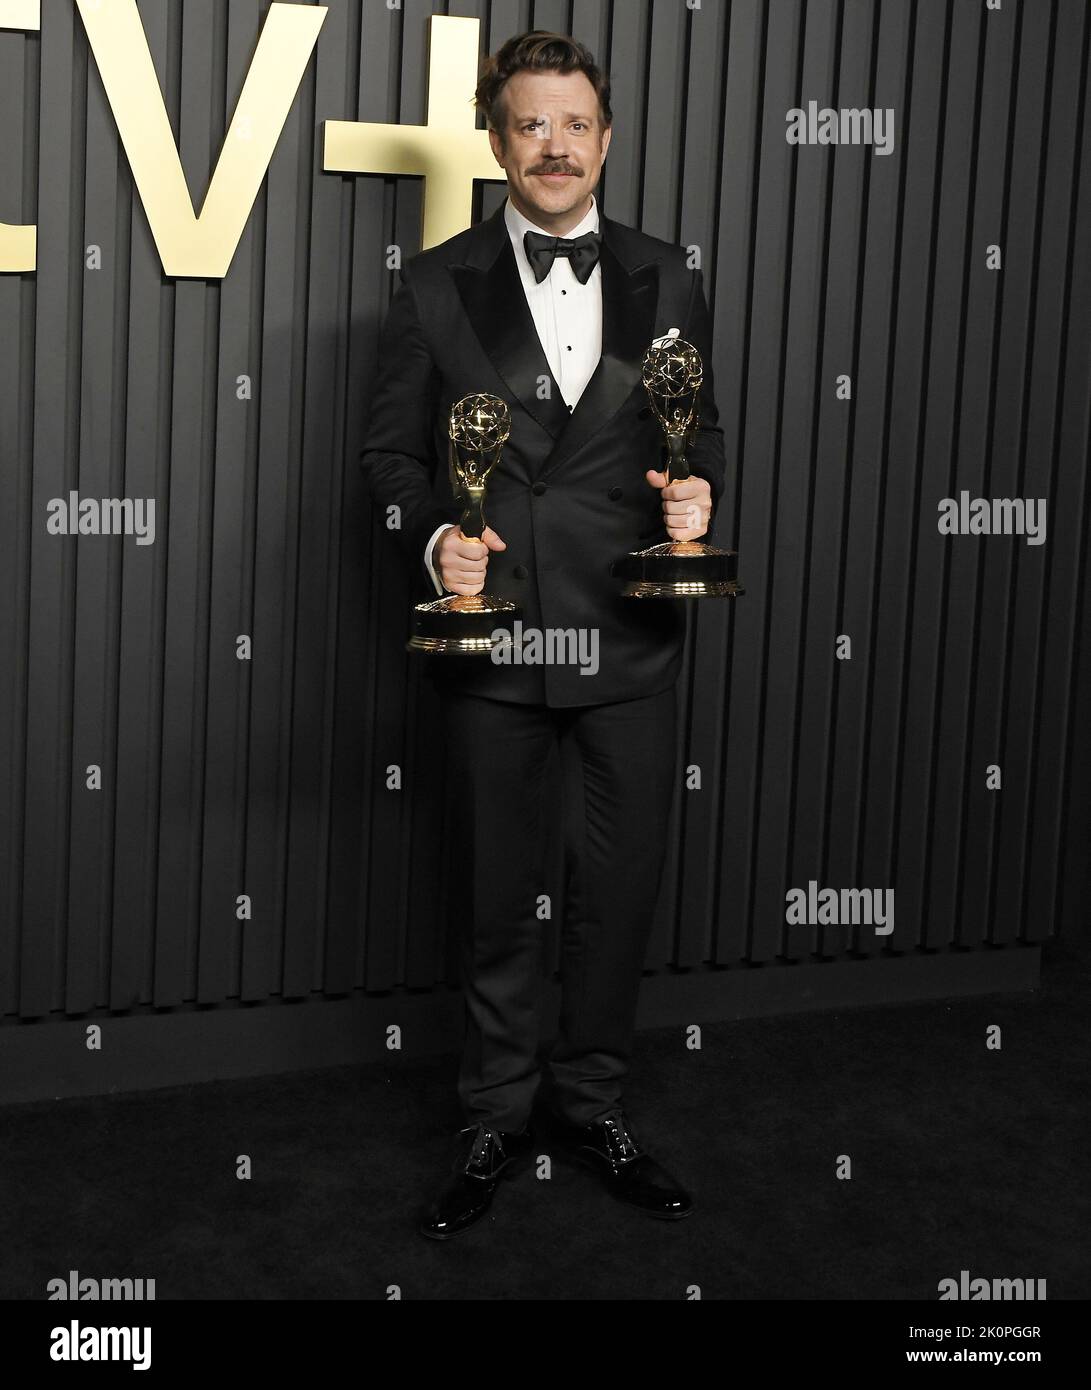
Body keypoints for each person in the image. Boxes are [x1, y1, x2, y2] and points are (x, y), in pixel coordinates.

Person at [360, 30, 727, 1240]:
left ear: (605, 138)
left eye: (575, 124)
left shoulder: (670, 276)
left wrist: (697, 496)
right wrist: (432, 543)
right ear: (497, 139)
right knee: (493, 893)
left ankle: (596, 1103)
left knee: (614, 895)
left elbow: (697, 438)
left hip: (628, 636)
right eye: (530, 124)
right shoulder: (431, 282)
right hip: (500, 637)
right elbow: (390, 458)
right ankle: (492, 1113)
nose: (555, 145)